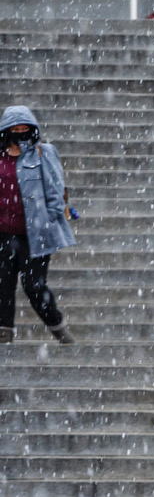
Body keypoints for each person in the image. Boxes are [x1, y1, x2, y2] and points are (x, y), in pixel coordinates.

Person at [1, 106, 76, 344]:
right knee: (3, 286)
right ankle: (4, 335)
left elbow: (55, 188)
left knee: (34, 286)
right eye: (16, 129)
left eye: (25, 129)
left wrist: (52, 217)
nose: (21, 133)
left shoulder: (43, 152)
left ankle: (58, 327)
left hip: (36, 233)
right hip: (3, 233)